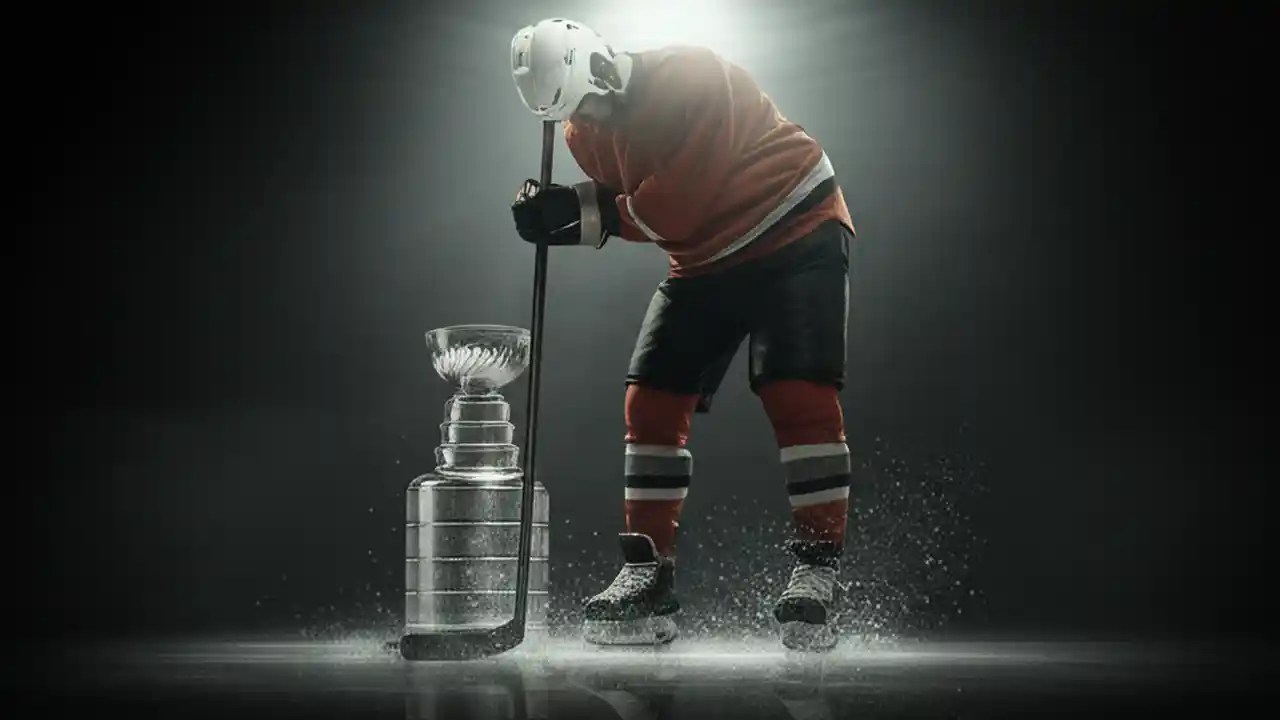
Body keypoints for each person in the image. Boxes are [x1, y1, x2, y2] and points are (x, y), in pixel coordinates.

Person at [508, 18, 856, 651]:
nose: (586, 116)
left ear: (604, 69)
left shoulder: (693, 75)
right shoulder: (579, 128)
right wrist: (561, 213)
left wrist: (583, 211)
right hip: (703, 260)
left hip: (795, 228)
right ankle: (648, 572)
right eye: (573, 109)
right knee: (652, 398)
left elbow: (681, 200)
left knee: (796, 393)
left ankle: (818, 567)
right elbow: (630, 201)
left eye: (588, 98)